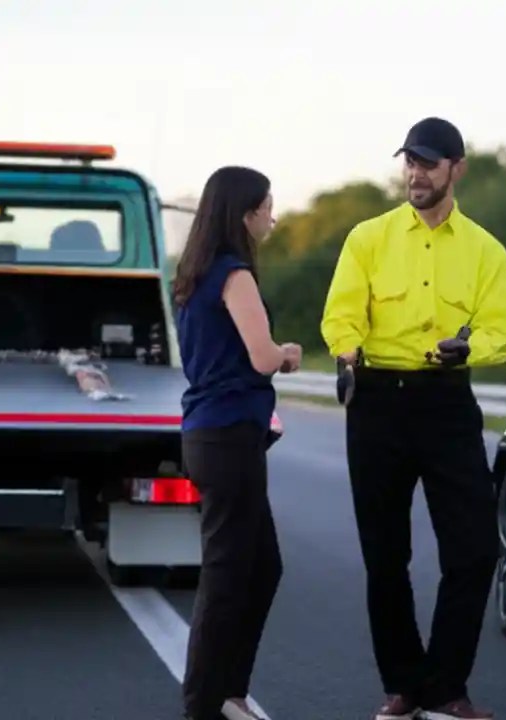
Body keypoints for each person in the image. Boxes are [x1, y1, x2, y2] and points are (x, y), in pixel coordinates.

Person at [320, 117, 506, 720]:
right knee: (386, 555)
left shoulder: (487, 251)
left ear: (457, 169)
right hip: (377, 401)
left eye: (429, 164)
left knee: (476, 551)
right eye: (410, 161)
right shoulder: (367, 238)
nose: (416, 173)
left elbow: (500, 333)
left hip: (447, 404)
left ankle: (447, 685)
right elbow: (341, 315)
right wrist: (348, 351)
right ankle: (403, 685)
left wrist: (470, 349)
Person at [172, 166, 301, 720]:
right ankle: (204, 705)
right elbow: (262, 357)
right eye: (268, 206)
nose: (273, 215)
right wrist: (289, 353)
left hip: (212, 433)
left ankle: (228, 692)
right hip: (227, 437)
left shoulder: (194, 275)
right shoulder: (235, 274)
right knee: (226, 575)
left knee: (262, 565)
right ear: (246, 213)